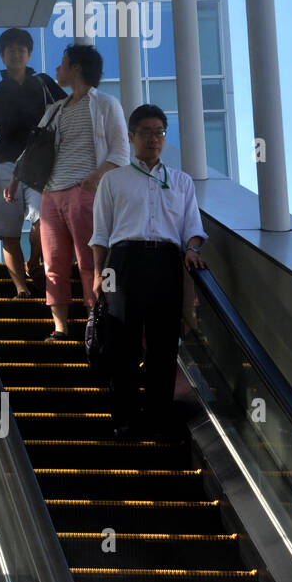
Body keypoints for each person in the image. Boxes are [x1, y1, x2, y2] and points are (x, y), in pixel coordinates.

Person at [90, 105, 206, 439]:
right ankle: (124, 419)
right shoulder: (113, 179)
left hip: (166, 263)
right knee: (122, 342)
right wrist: (99, 275)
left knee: (164, 344)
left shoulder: (181, 181)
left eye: (159, 132)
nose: (154, 139)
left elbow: (192, 229)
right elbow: (100, 235)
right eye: (146, 132)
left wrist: (194, 249)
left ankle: (158, 417)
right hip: (123, 262)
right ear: (131, 137)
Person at [6, 44, 129, 339]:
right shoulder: (55, 109)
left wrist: (95, 177)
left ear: (76, 68)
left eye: (62, 64)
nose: (57, 70)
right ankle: (60, 327)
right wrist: (15, 178)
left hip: (83, 192)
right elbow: (33, 148)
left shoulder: (105, 104)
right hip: (51, 194)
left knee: (90, 262)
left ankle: (95, 323)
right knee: (54, 263)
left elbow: (121, 151)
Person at [0, 27, 66, 297]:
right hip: (3, 162)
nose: (16, 54)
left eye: (21, 50)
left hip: (39, 164)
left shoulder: (43, 84)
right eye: (10, 50)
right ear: (2, 56)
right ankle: (21, 289)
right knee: (8, 232)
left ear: (29, 54)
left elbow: (68, 112)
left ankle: (34, 261)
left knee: (43, 222)